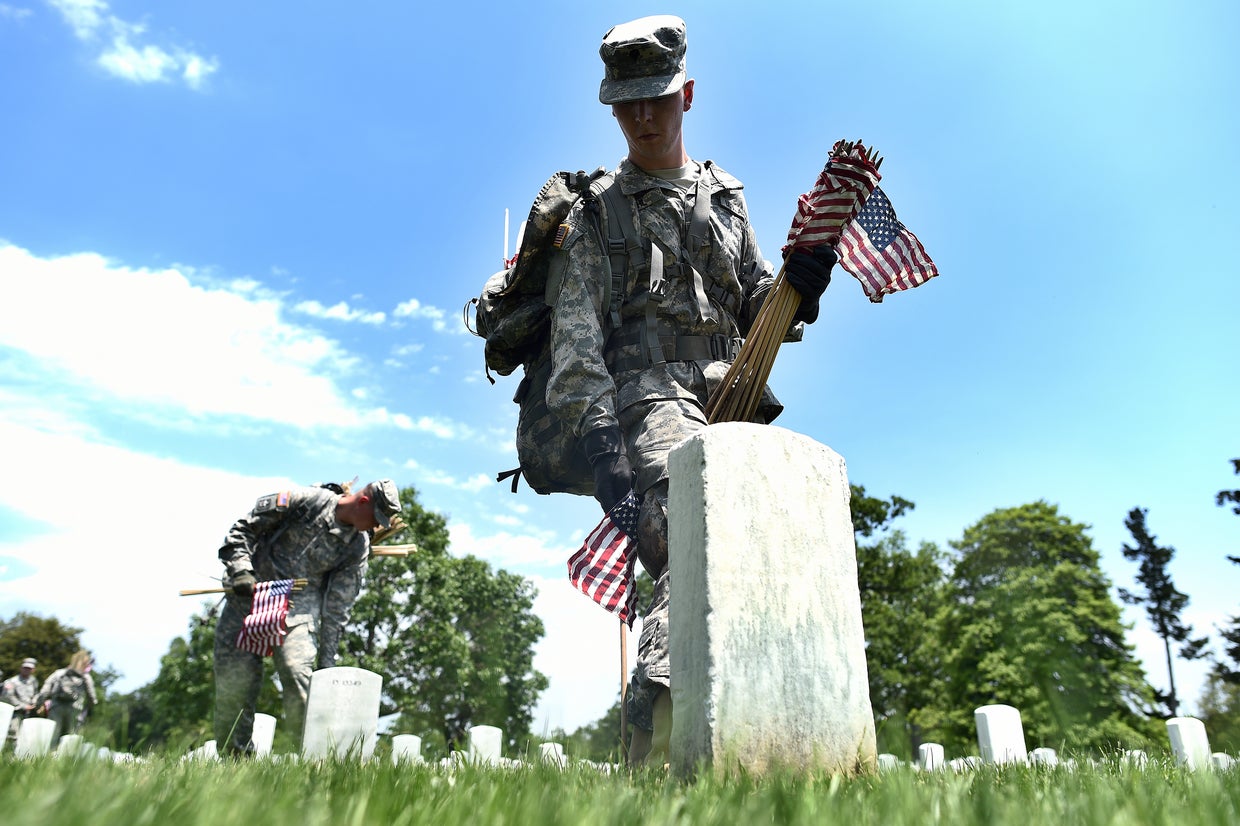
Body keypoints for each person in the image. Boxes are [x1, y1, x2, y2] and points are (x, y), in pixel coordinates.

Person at [546, 15, 836, 766]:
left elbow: (758, 304)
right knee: (689, 533)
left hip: (735, 398)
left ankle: (741, 743)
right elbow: (575, 344)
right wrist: (606, 457)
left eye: (657, 98)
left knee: (752, 560)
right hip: (647, 402)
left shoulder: (727, 198)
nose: (643, 116)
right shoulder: (595, 211)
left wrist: (802, 286)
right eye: (626, 103)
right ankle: (660, 745)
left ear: (688, 94)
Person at [213, 479, 401, 756]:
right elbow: (243, 529)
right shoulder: (306, 501)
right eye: (375, 518)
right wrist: (241, 570)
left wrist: (326, 667)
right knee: (234, 683)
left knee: (298, 675)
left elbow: (337, 608)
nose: (375, 527)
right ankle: (234, 758)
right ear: (362, 502)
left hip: (296, 611)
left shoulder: (356, 547)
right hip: (248, 599)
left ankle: (312, 760)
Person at [34, 651, 97, 745]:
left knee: (52, 736)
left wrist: (38, 705)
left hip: (56, 707)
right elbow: (92, 698)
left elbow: (44, 692)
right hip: (75, 709)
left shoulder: (59, 673)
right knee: (69, 739)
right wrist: (85, 713)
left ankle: (50, 753)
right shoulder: (86, 677)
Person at [1, 657, 40, 744]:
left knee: (25, 736)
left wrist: (35, 702)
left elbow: (36, 693)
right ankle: (9, 751)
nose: (26, 670)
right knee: (12, 734)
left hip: (29, 713)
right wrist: (24, 706)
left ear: (33, 670)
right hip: (16, 712)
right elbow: (9, 697)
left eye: (29, 669)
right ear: (21, 668)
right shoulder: (12, 681)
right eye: (25, 668)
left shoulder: (33, 681)